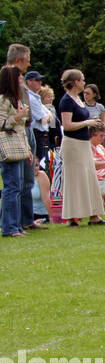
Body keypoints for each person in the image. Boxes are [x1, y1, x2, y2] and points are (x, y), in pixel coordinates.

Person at [58, 69, 105, 227]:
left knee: (88, 178)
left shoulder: (78, 99)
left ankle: (94, 214)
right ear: (74, 82)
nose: (84, 83)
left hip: (83, 143)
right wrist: (87, 123)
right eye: (81, 80)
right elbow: (67, 125)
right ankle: (72, 217)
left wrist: (91, 121)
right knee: (75, 179)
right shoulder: (66, 101)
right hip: (72, 144)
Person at [6, 45, 37, 232]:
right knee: (16, 181)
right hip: (17, 129)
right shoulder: (8, 83)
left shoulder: (19, 81)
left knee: (27, 178)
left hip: (27, 128)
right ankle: (14, 223)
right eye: (27, 59)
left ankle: (26, 219)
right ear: (18, 60)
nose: (29, 63)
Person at [0, 65, 32, 237]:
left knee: (17, 187)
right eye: (19, 76)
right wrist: (17, 117)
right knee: (11, 187)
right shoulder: (3, 100)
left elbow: (21, 129)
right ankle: (9, 227)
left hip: (19, 145)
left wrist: (28, 149)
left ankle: (16, 225)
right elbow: (1, 124)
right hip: (8, 148)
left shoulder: (16, 100)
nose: (21, 79)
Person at [24, 71, 51, 162]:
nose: (40, 82)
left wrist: (48, 116)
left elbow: (49, 114)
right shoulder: (31, 98)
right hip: (36, 134)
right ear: (29, 82)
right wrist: (49, 116)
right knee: (38, 163)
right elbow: (43, 119)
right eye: (37, 80)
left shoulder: (36, 97)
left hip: (40, 135)